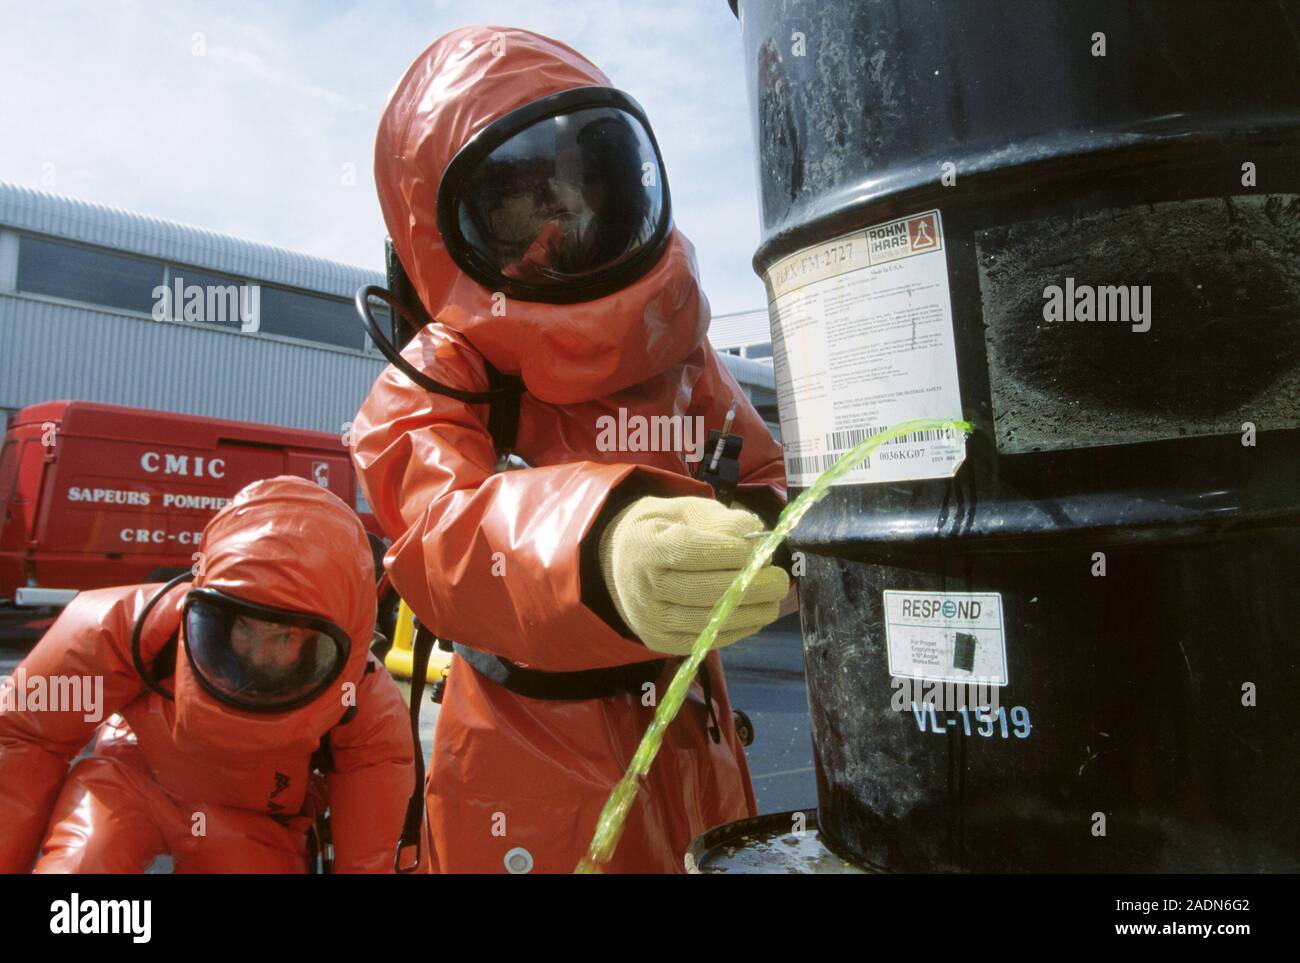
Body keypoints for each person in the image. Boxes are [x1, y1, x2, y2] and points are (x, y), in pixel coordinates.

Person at [352, 26, 791, 874]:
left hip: (694, 732)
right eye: (523, 198)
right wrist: (601, 546)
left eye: (581, 181)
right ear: (451, 232)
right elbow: (440, 527)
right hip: (528, 761)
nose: (565, 218)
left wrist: (762, 541)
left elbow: (764, 476)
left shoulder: (678, 346)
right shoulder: (444, 372)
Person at [0, 476, 415, 873]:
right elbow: (25, 737)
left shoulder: (363, 698)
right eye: (246, 627)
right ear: (205, 604)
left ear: (344, 636)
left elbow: (374, 851)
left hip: (251, 817)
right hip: (133, 779)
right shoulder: (124, 626)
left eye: (285, 635)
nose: (258, 651)